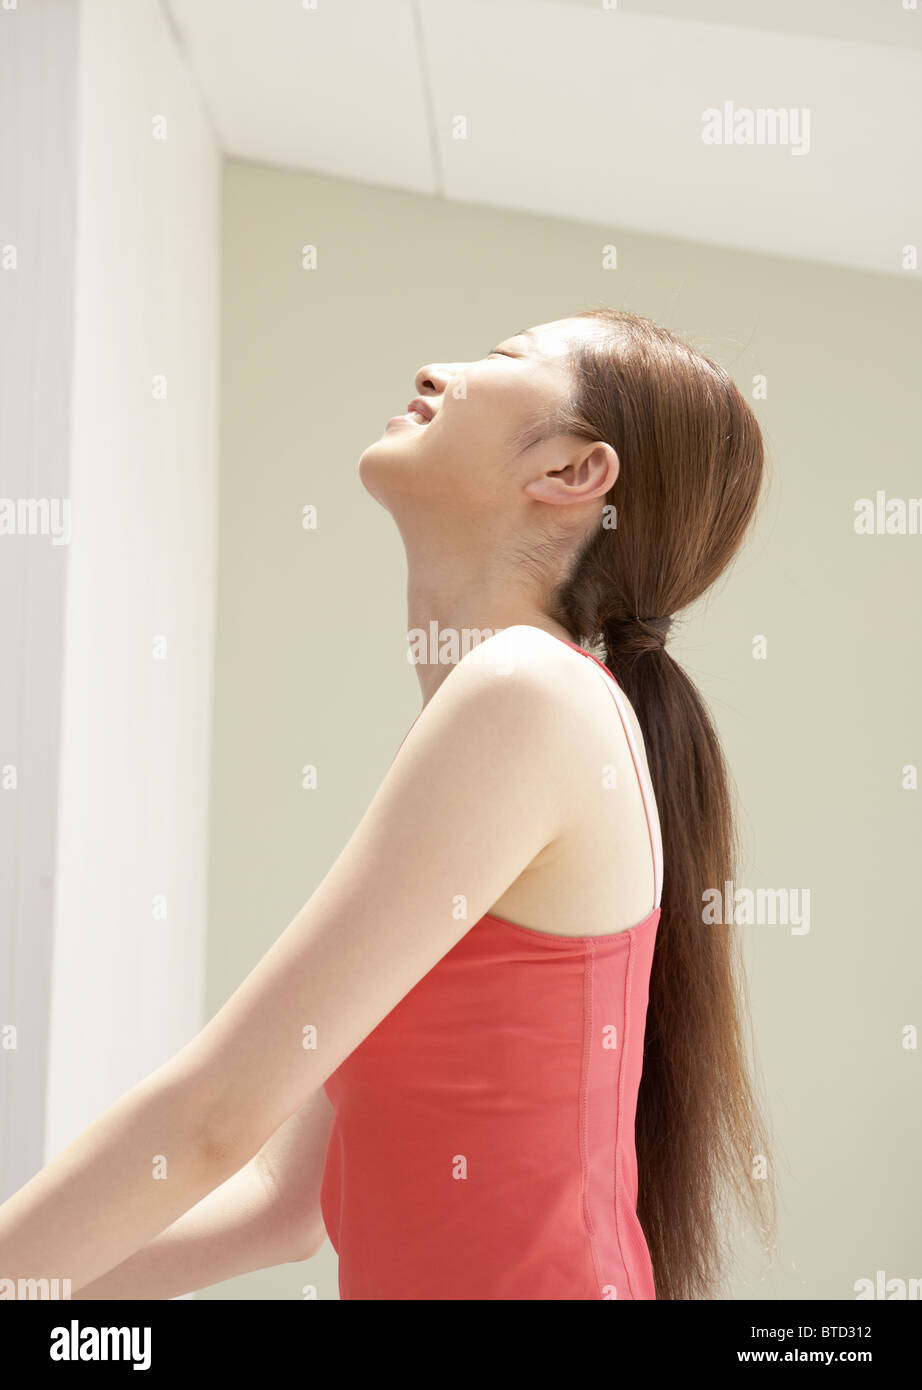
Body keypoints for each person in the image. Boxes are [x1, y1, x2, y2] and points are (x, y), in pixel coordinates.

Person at [0, 309, 776, 1301]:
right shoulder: (518, 710)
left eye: (500, 360)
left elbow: (212, 1118)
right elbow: (277, 1203)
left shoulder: (526, 693)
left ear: (577, 475)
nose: (434, 367)